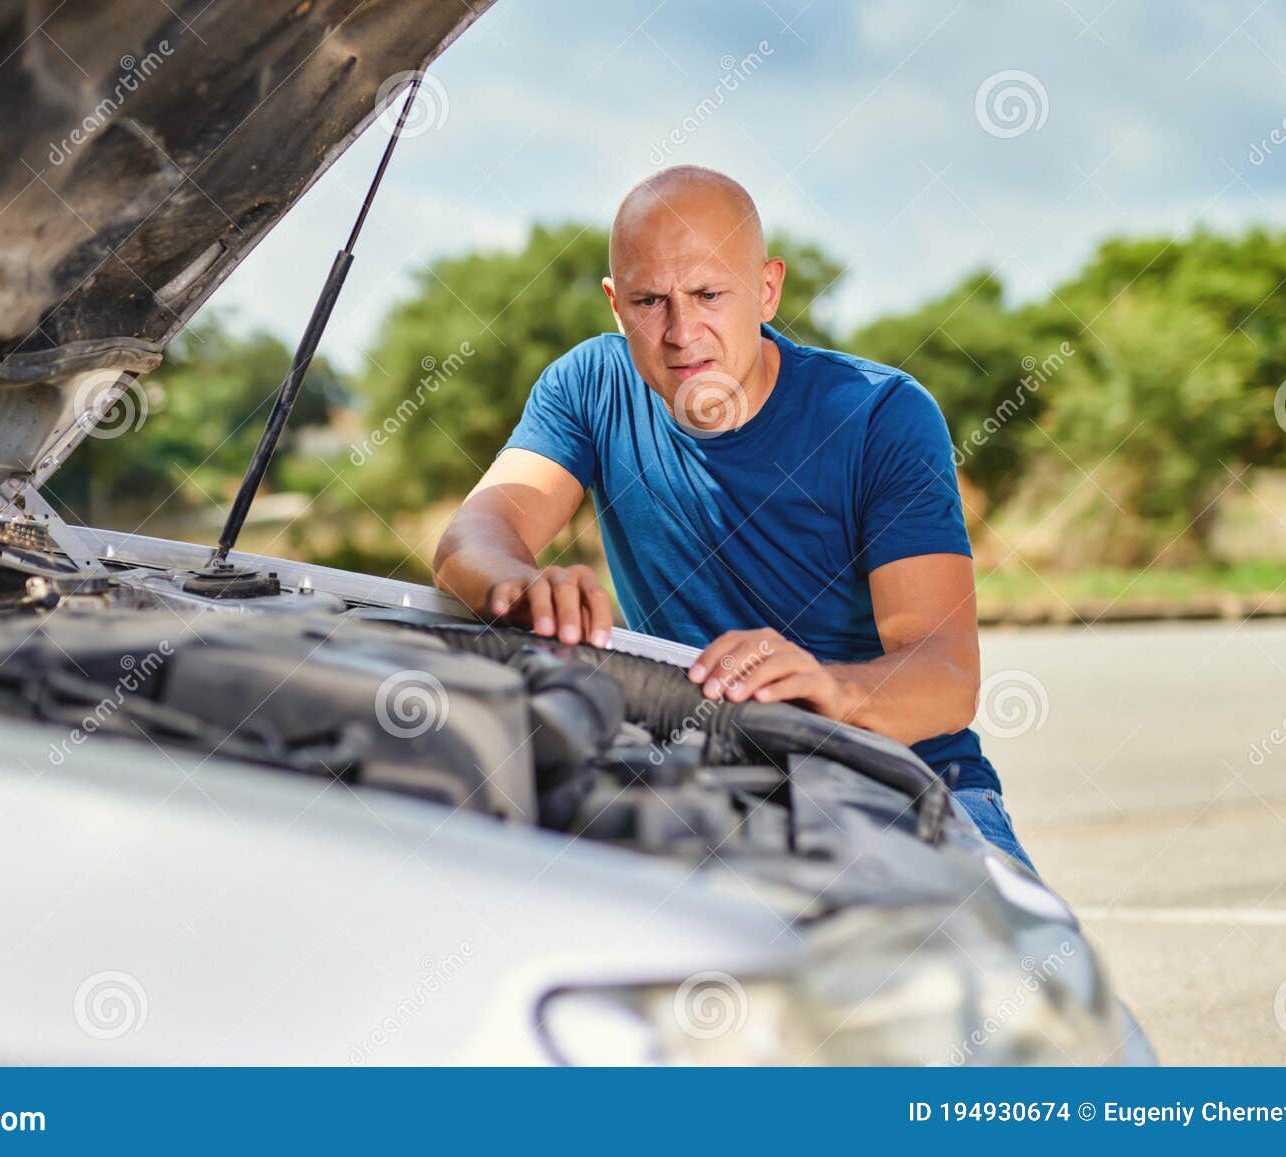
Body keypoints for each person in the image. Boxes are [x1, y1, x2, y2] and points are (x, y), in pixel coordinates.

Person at [432, 165, 1034, 871]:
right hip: (703, 774)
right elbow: (472, 534)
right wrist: (517, 583)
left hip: (909, 777)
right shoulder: (589, 385)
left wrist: (829, 690)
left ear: (767, 288)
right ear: (615, 305)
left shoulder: (881, 415)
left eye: (710, 294)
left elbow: (947, 673)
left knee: (1012, 973)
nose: (683, 332)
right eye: (650, 300)